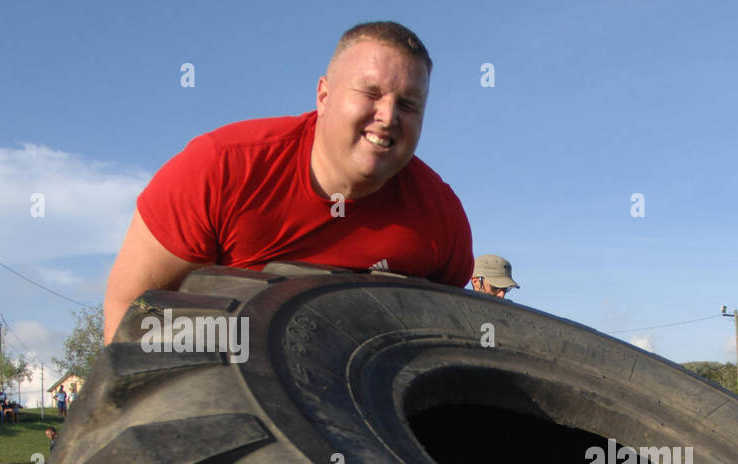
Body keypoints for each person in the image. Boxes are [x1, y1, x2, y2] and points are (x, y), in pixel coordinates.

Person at [102, 21, 474, 343]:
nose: (388, 116)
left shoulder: (442, 218)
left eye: (409, 105)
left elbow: (447, 343)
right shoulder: (222, 168)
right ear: (324, 95)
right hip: (230, 383)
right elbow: (130, 308)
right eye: (371, 93)